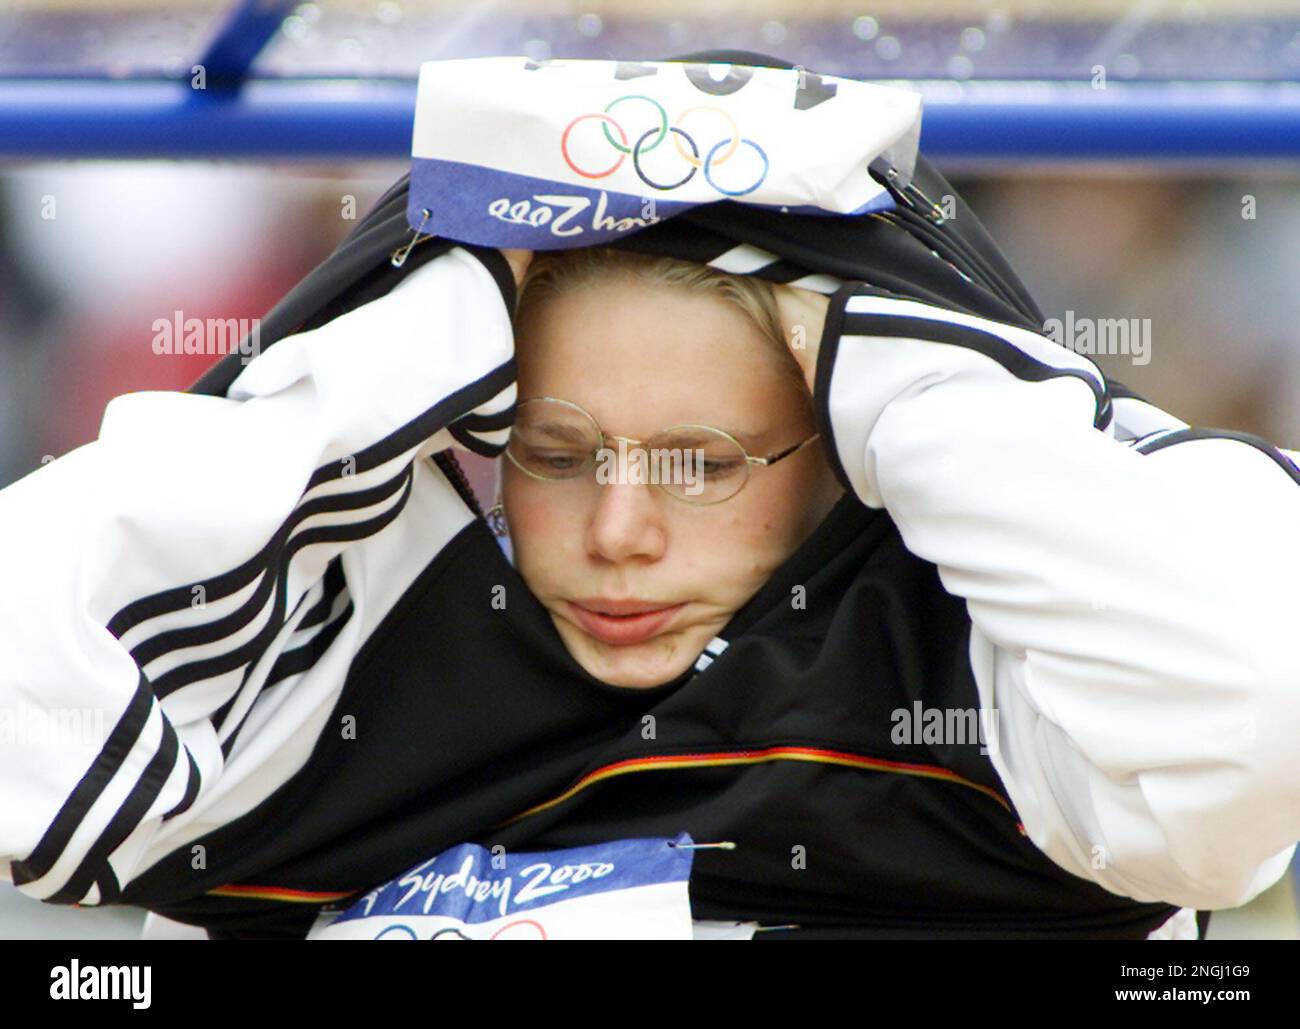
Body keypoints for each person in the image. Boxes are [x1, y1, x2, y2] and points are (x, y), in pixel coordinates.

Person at [5, 53, 1300, 940]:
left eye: (702, 461)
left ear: (849, 436)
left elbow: (1248, 723)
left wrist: (920, 369)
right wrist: (408, 317)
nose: (620, 532)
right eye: (560, 456)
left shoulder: (1007, 677)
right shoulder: (336, 667)